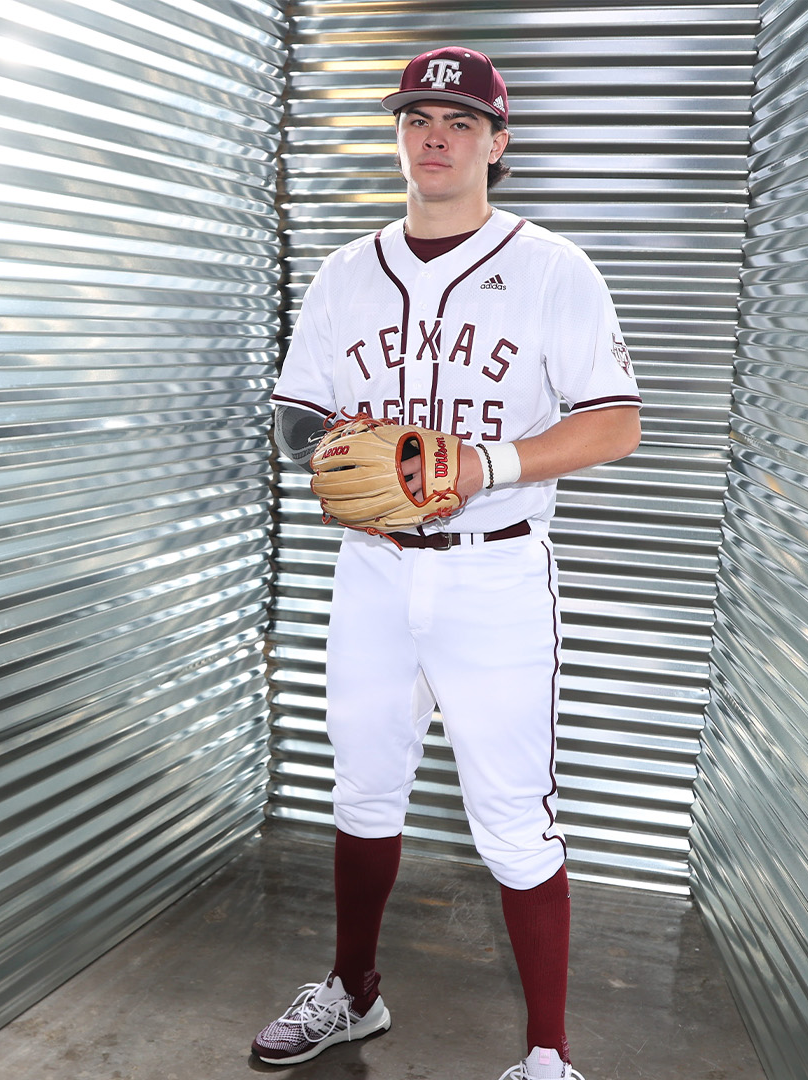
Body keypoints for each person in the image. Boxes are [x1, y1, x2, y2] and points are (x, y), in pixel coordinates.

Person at [252, 45, 643, 1080]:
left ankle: (549, 1056)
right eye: (419, 116)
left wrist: (487, 463)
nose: (436, 135)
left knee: (514, 820)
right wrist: (350, 469)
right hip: (374, 572)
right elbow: (296, 421)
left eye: (461, 121)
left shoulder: (554, 267)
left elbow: (615, 425)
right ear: (399, 135)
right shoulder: (347, 272)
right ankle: (353, 997)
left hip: (496, 574)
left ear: (497, 145)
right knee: (364, 792)